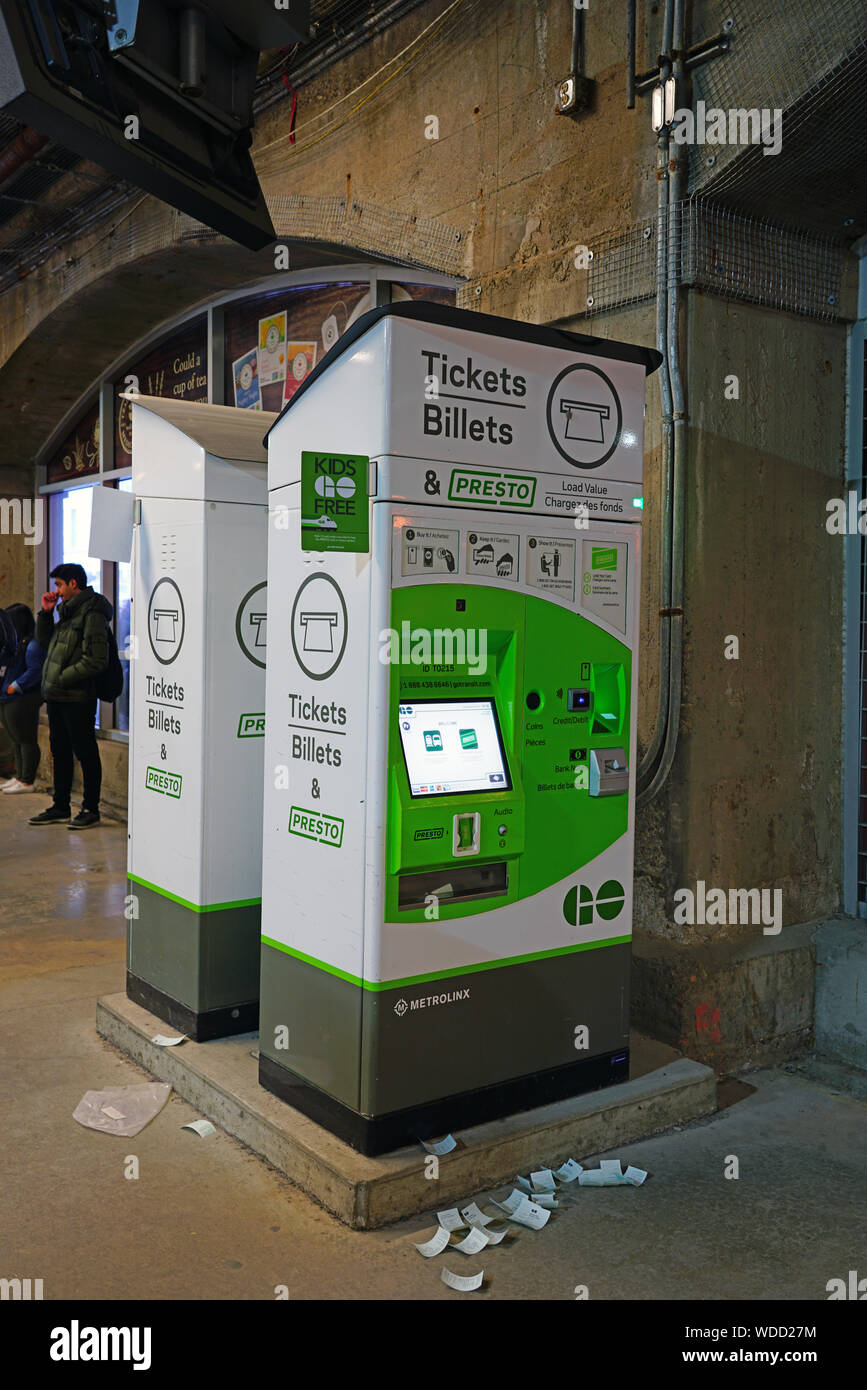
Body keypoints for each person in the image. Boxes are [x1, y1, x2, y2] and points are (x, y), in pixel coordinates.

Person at [29, 563, 112, 829]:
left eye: (60, 585)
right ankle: (61, 806)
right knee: (60, 752)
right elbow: (45, 643)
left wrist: (60, 678)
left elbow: (96, 660)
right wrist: (45, 613)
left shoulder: (93, 613)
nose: (57, 591)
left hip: (78, 698)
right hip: (58, 697)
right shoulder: (67, 612)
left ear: (73, 584)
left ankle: (90, 809)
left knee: (85, 752)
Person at [0, 603, 45, 793]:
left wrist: (15, 686)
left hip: (22, 697)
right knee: (16, 739)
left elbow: (35, 671)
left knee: (25, 738)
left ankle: (27, 780)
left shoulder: (33, 644)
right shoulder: (14, 643)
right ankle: (19, 777)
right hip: (8, 697)